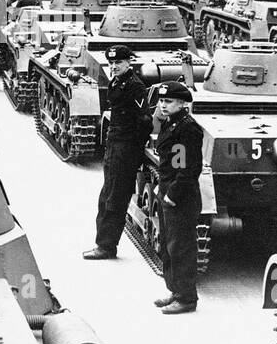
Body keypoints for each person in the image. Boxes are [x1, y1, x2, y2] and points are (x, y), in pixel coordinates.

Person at [83, 45, 153, 260]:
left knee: (114, 199)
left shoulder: (135, 86)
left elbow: (144, 121)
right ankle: (103, 243)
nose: (113, 67)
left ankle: (106, 246)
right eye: (111, 63)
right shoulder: (117, 81)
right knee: (107, 196)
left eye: (118, 63)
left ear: (128, 63)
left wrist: (133, 150)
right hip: (115, 146)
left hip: (124, 149)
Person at [152, 82, 204, 314]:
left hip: (180, 197)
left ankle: (186, 298)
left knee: (181, 247)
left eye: (169, 101)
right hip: (169, 191)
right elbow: (173, 162)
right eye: (162, 101)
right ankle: (175, 290)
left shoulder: (186, 129)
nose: (163, 105)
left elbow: (188, 169)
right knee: (169, 245)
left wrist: (172, 194)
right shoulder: (171, 123)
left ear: (182, 104)